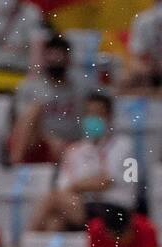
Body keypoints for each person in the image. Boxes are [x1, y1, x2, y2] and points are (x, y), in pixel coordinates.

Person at [30, 93, 135, 232]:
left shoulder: (123, 145)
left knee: (52, 198)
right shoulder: (74, 150)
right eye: (88, 113)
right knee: (54, 222)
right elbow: (65, 187)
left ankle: (24, 242)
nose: (92, 118)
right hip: (84, 206)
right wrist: (83, 186)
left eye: (97, 113)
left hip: (116, 208)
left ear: (109, 117)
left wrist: (78, 186)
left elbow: (105, 182)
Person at [10, 34, 95, 165]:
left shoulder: (82, 87)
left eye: (59, 55)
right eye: (51, 55)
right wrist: (50, 141)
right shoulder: (30, 87)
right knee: (34, 109)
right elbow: (22, 123)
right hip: (39, 142)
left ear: (68, 59)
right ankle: (16, 164)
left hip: (74, 142)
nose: (55, 60)